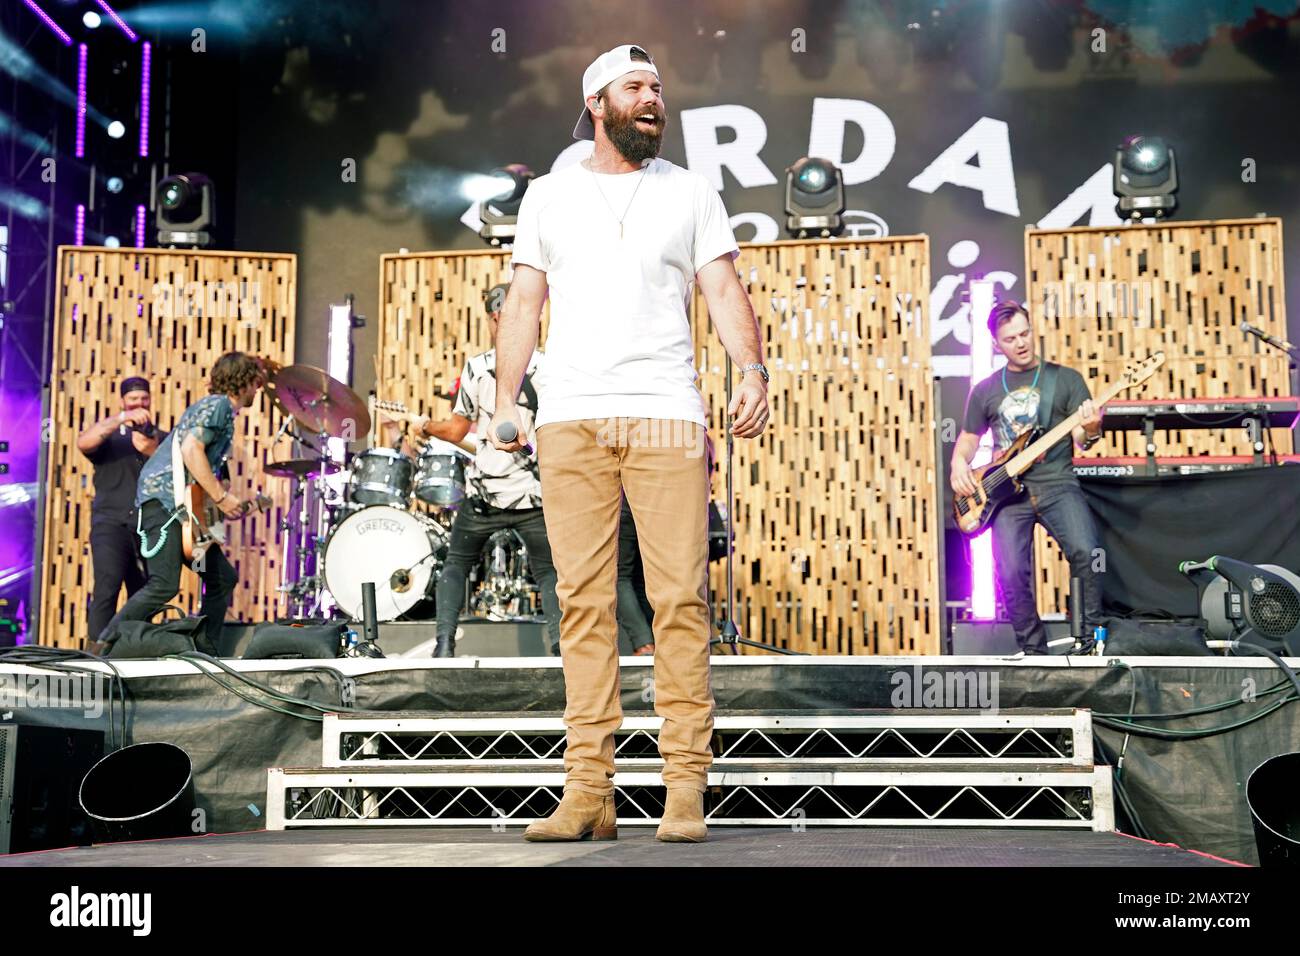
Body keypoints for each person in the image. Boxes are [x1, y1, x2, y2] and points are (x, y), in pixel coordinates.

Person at [492, 44, 769, 844]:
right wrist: (506, 403)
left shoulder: (690, 191)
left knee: (678, 598)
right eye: (637, 88)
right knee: (583, 607)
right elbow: (523, 300)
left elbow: (723, 287)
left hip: (665, 414)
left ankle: (684, 787)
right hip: (571, 415)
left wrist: (750, 369)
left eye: (658, 88)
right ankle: (590, 793)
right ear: (597, 101)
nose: (654, 99)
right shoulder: (547, 196)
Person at [416, 282, 561, 658]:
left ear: (496, 317)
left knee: (457, 565)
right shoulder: (548, 367)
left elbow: (456, 431)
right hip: (534, 492)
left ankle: (445, 644)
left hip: (485, 495)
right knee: (549, 574)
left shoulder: (477, 368)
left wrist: (425, 426)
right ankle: (561, 650)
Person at [951, 300, 1105, 655]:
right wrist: (958, 464)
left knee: (1086, 550)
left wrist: (1093, 427)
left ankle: (1088, 640)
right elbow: (968, 441)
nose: (1021, 343)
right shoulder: (986, 390)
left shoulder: (1066, 380)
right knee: (1009, 573)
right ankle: (1035, 652)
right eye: (1010, 339)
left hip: (1057, 482)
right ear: (995, 344)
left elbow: (1084, 439)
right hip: (1005, 493)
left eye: (1025, 333)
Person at [97, 352, 266, 652]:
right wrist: (222, 497)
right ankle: (103, 645)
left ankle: (205, 650)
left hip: (180, 510)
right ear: (243, 382)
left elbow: (197, 466)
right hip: (163, 505)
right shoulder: (218, 406)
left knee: (222, 578)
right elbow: (191, 449)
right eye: (256, 383)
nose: (259, 389)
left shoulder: (219, 409)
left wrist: (219, 501)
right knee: (163, 584)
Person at [76, 377, 166, 643]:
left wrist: (152, 449)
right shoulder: (110, 435)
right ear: (124, 401)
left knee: (145, 590)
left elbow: (176, 469)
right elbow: (84, 442)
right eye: (133, 399)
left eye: (143, 399)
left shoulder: (160, 437)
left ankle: (133, 648)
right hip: (110, 523)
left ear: (150, 400)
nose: (139, 404)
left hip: (147, 526)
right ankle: (95, 653)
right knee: (108, 585)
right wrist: (122, 418)